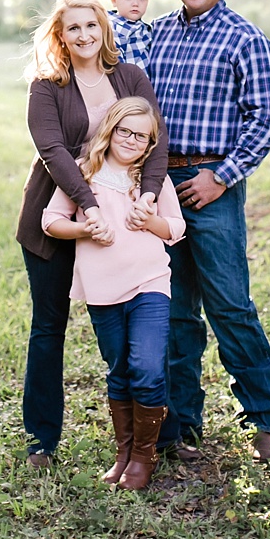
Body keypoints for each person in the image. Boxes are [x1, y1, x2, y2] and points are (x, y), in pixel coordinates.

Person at [144, 0, 270, 464]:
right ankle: (181, 424)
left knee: (228, 304)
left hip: (212, 184)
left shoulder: (244, 38)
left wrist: (221, 177)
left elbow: (268, 120)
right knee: (175, 310)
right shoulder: (157, 35)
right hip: (160, 184)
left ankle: (262, 418)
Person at [17, 0, 169, 468]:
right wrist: (86, 208)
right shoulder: (47, 86)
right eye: (73, 28)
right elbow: (53, 150)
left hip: (122, 221)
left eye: (91, 25)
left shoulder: (130, 77)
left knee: (142, 325)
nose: (83, 35)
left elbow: (156, 141)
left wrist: (147, 193)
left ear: (104, 28)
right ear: (60, 37)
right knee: (48, 326)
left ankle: (155, 438)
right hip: (58, 212)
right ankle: (42, 440)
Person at [41, 95, 186, 491]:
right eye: (126, 131)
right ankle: (123, 452)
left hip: (149, 283)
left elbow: (176, 228)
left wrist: (152, 220)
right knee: (120, 369)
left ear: (151, 144)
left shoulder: (151, 183)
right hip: (102, 289)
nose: (132, 141)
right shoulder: (83, 174)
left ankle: (144, 456)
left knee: (147, 367)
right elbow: (50, 221)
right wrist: (84, 228)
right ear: (111, 129)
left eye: (142, 137)